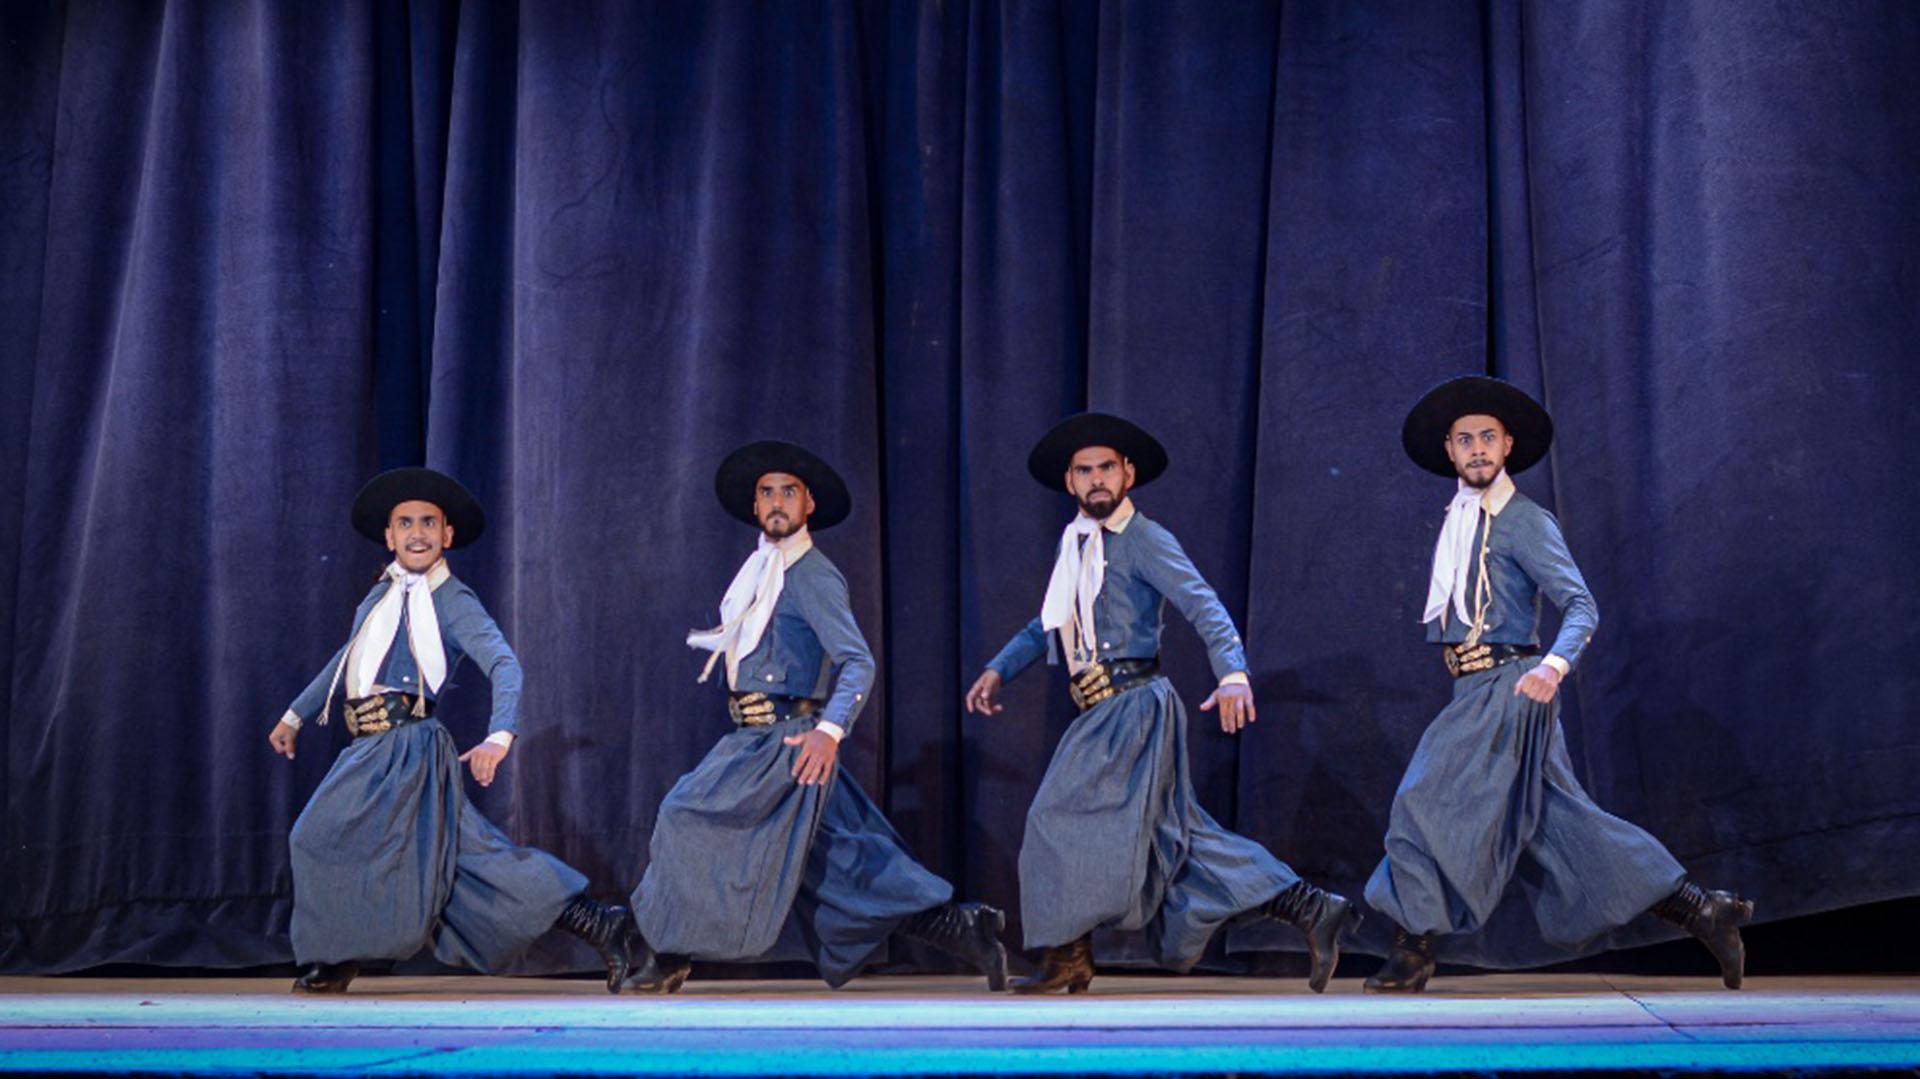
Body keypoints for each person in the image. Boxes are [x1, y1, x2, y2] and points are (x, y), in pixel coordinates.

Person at [1363, 376, 1754, 993]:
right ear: (1449, 451)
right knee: (1557, 823)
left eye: (1487, 438)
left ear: (1508, 444)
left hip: (1510, 686)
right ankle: (1703, 910)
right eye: (1464, 440)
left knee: (1421, 802)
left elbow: (1581, 606)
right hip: (1472, 688)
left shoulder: (1523, 521)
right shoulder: (1460, 520)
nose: (1477, 450)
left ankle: (1413, 948)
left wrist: (1553, 666)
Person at [966, 413, 1357, 994]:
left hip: (1134, 704)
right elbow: (1050, 622)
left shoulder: (1145, 540)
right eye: (1084, 471)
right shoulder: (1075, 542)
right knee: (1172, 837)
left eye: (1106, 468)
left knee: (1054, 821)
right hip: (1100, 708)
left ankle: (1068, 955)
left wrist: (1232, 674)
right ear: (1070, 482)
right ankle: (1310, 907)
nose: (1096, 480)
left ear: (1128, 473)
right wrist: (1000, 668)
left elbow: (1204, 605)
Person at [625, 441, 1008, 993]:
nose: (776, 501)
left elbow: (857, 661)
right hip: (752, 736)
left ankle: (669, 955)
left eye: (788, 492)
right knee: (833, 864)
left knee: (687, 816)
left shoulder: (811, 575)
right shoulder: (758, 570)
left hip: (785, 741)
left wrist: (829, 732)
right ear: (756, 508)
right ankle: (964, 929)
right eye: (766, 493)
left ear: (809, 506)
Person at [271, 467, 632, 994]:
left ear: (447, 535)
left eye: (429, 523)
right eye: (405, 523)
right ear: (389, 536)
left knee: (322, 835)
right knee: (461, 860)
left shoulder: (451, 599)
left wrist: (498, 736)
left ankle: (335, 956)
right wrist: (295, 714)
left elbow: (505, 665)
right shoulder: (379, 596)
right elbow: (347, 662)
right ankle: (603, 923)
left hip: (409, 747)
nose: (417, 532)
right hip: (368, 748)